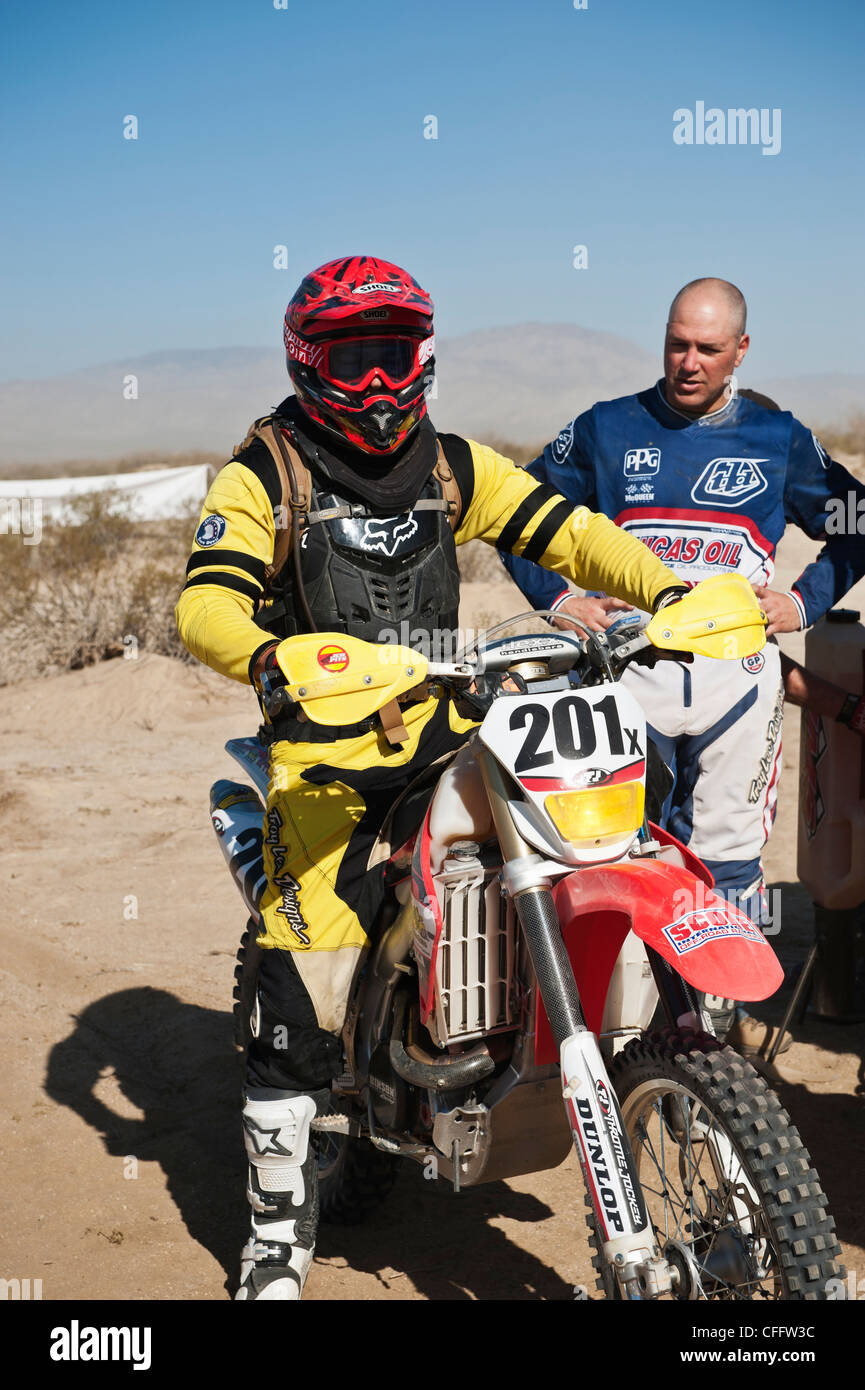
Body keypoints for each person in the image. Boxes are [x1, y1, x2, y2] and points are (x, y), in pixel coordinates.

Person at [175, 255, 687, 1300]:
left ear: (423, 357)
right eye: (353, 361)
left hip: (451, 728)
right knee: (302, 976)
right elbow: (205, 603)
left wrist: (669, 590)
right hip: (326, 760)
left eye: (393, 356)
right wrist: (274, 657)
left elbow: (569, 530)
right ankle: (275, 1235)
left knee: (566, 846)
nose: (376, 385)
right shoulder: (265, 475)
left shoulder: (452, 465)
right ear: (309, 362)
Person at [503, 277, 865, 1053]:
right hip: (624, 681)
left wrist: (801, 603)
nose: (687, 362)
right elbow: (514, 509)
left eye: (707, 348)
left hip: (736, 687)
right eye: (676, 343)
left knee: (727, 862)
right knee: (610, 854)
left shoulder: (778, 436)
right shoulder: (605, 428)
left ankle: (710, 1037)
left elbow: (857, 522)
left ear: (740, 350)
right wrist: (559, 598)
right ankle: (612, 1033)